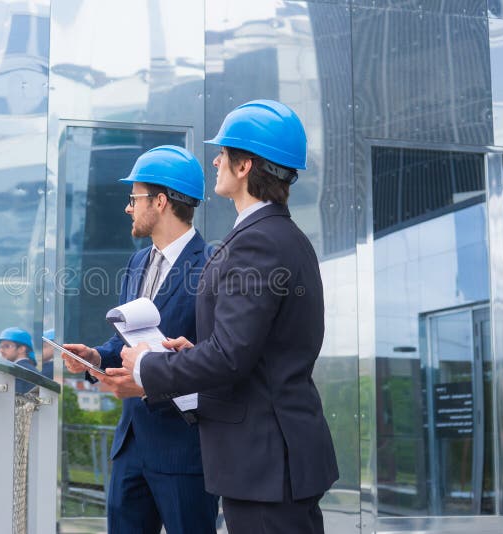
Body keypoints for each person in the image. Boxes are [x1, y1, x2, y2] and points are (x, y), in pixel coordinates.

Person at [120, 101, 339, 533]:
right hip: (271, 460)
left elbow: (231, 356)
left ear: (245, 166)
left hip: (265, 463)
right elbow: (250, 350)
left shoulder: (256, 243)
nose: (216, 160)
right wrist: (194, 352)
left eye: (223, 152)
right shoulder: (279, 236)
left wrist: (148, 365)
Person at [62, 145, 219, 534]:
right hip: (131, 445)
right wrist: (97, 357)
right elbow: (128, 340)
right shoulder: (136, 263)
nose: (128, 208)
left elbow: (219, 358)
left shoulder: (214, 264)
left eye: (134, 198)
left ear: (161, 201)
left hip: (184, 449)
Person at [0, 327, 37, 394]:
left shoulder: (17, 370)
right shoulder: (31, 369)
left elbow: (10, 399)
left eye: (7, 346)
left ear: (21, 349)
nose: (1, 350)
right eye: (1, 347)